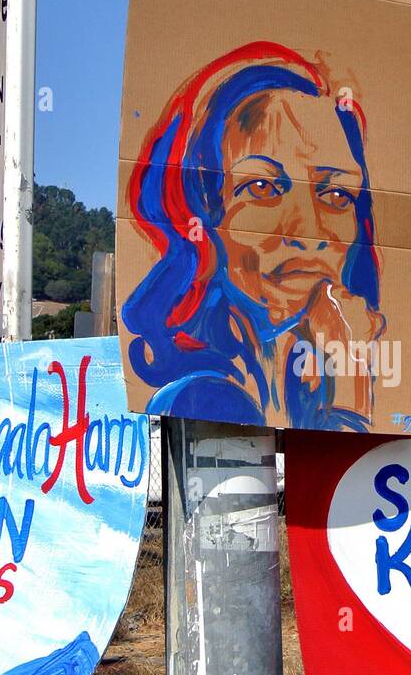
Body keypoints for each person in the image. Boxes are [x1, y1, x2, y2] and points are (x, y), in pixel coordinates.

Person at [121, 41, 385, 431]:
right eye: (262, 188)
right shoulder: (204, 399)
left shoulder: (301, 386)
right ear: (203, 212)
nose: (308, 234)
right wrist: (350, 378)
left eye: (336, 195)